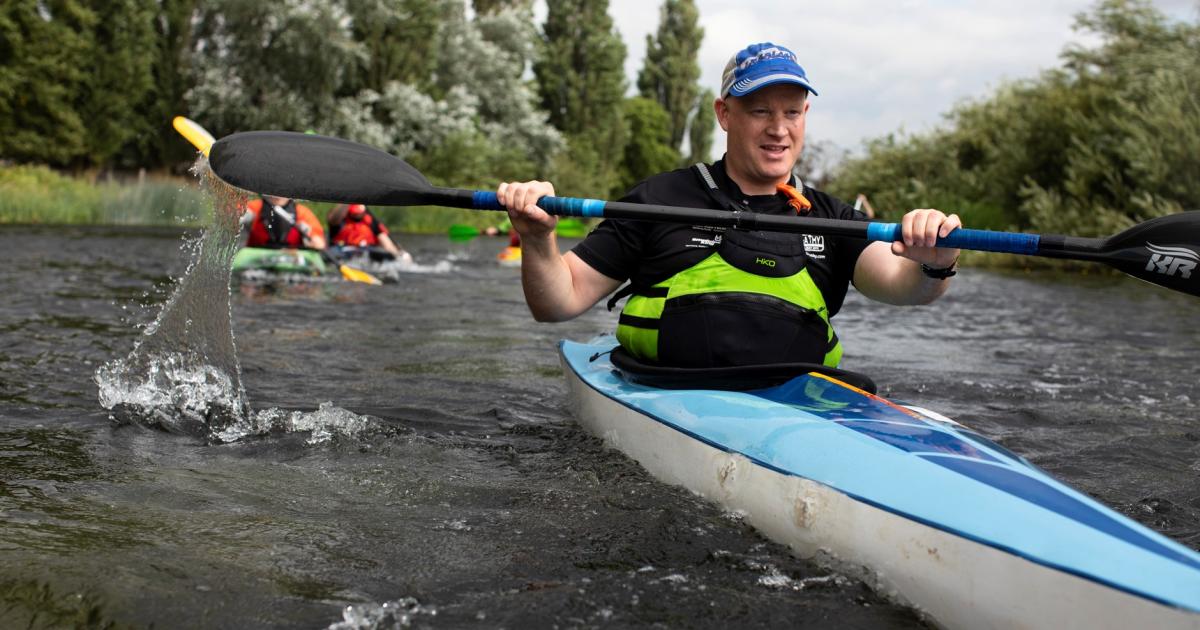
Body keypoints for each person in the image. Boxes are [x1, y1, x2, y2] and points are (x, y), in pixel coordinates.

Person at [495, 42, 963, 369]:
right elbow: (557, 303)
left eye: (791, 112)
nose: (779, 129)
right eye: (760, 111)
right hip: (665, 394)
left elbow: (907, 287)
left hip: (795, 409)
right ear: (724, 114)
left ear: (805, 117)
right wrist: (538, 237)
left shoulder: (832, 217)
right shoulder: (659, 199)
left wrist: (935, 263)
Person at [327, 203, 413, 263]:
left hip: (367, 250)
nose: (358, 216)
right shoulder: (340, 218)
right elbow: (333, 219)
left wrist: (398, 255)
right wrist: (347, 199)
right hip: (343, 250)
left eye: (360, 214)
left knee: (388, 254)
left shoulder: (371, 221)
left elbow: (385, 241)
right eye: (355, 214)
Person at [242, 195, 326, 250]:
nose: (278, 195)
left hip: (292, 259)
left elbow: (320, 243)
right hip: (257, 258)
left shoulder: (302, 213)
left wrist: (311, 240)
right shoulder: (254, 207)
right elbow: (233, 216)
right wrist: (241, 217)